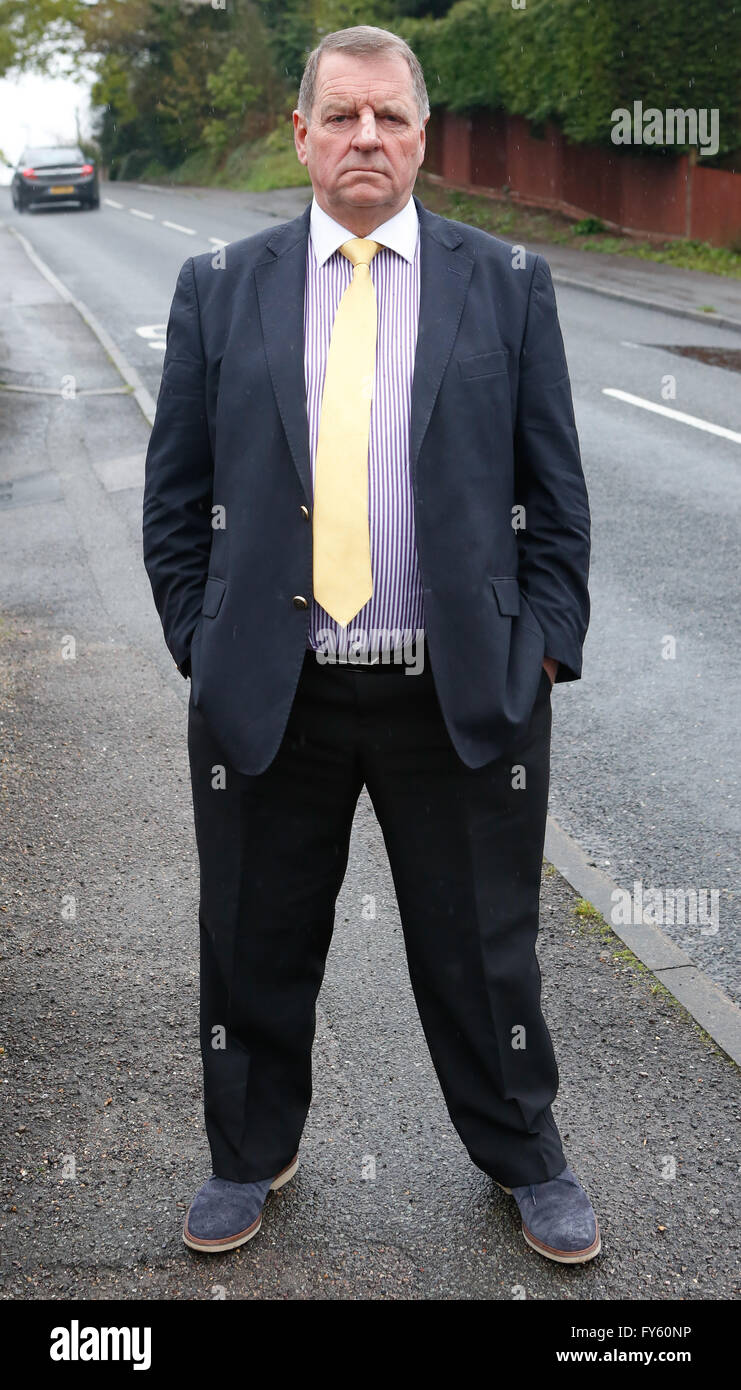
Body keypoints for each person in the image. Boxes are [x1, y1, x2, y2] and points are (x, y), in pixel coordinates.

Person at [142, 24, 597, 1265]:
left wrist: (543, 646)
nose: (365, 139)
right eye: (341, 116)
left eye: (389, 117)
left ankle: (526, 1155)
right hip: (271, 694)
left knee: (485, 949)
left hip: (454, 691)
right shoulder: (220, 286)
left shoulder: (503, 283)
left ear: (423, 135)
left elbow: (553, 496)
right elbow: (176, 498)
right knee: (251, 937)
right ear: (301, 134)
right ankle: (248, 1151)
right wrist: (206, 639)